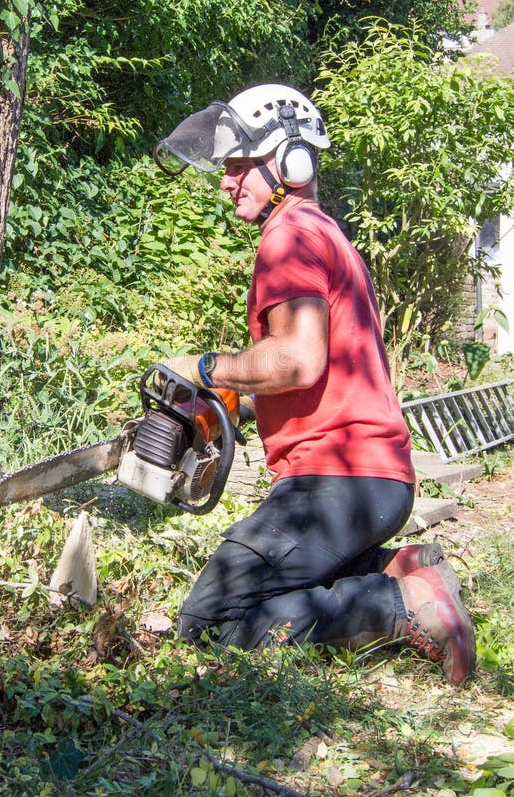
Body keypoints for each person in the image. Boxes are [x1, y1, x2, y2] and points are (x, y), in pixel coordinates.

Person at [151, 83, 476, 686]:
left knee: (212, 621)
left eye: (239, 167)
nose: (226, 183)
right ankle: (399, 567)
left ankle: (403, 606)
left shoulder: (290, 237)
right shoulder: (324, 233)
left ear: (289, 162)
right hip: (369, 481)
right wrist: (227, 407)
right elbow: (309, 375)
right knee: (260, 594)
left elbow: (297, 361)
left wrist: (201, 369)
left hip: (337, 479)